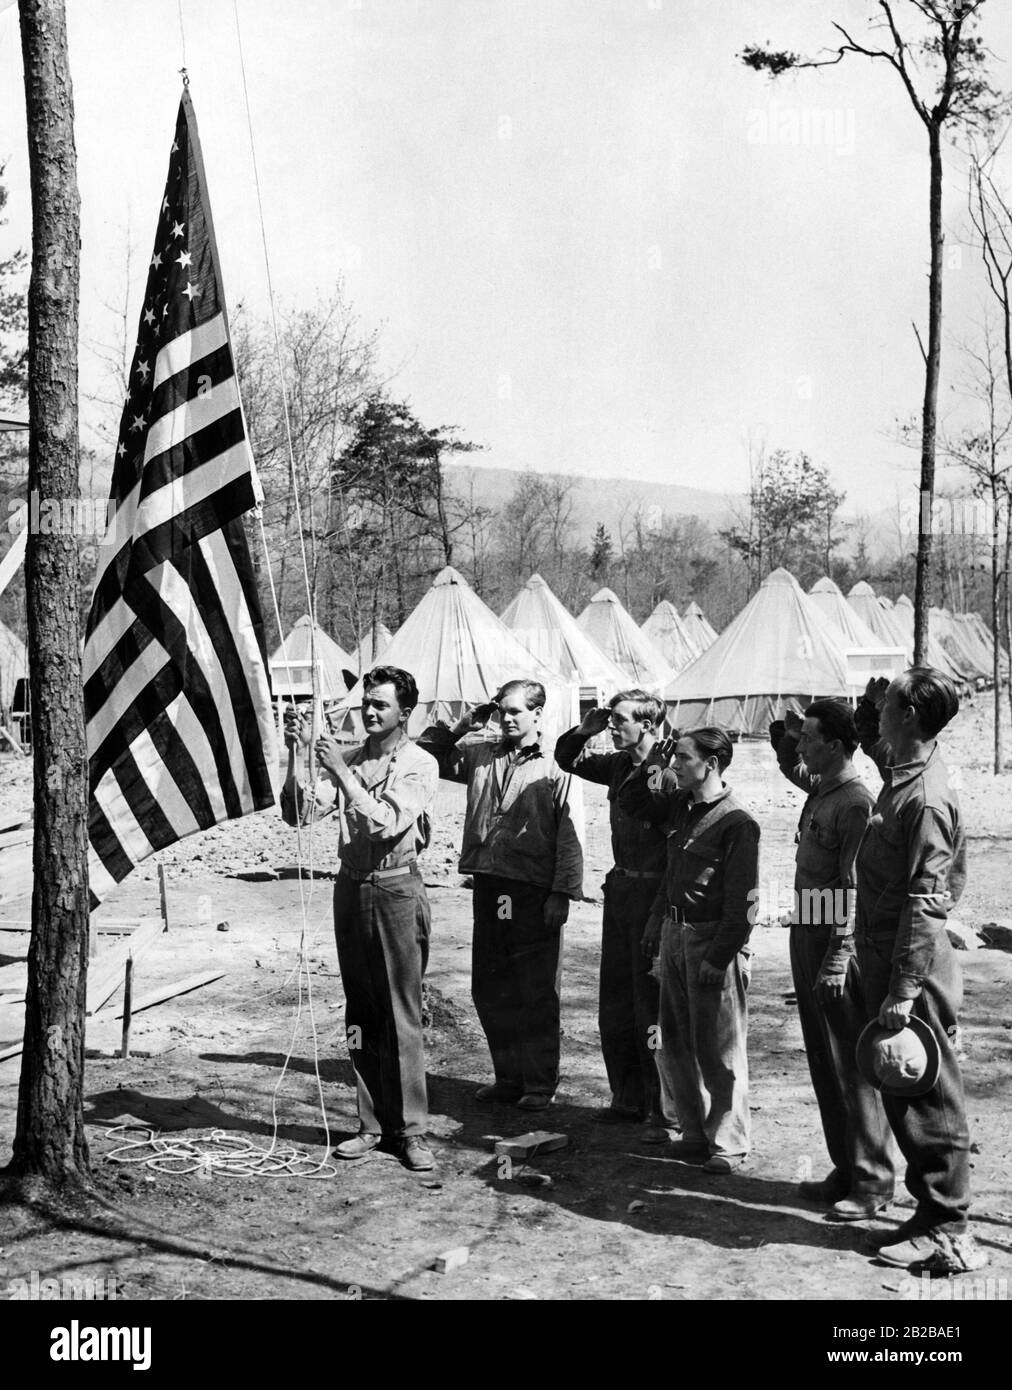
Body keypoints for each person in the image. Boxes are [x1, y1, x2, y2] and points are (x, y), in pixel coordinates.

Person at [852, 669, 986, 1272]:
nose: (880, 709)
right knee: (904, 1090)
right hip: (889, 952)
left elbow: (927, 901)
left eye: (887, 703)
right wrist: (860, 706)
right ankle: (929, 1213)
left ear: (909, 715)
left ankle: (950, 1229)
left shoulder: (926, 797)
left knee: (929, 1091)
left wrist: (903, 991)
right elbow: (875, 741)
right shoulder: (904, 769)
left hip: (915, 962)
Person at [281, 666, 438, 1172]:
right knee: (361, 1012)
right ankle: (371, 1125)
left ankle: (410, 1130)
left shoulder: (419, 763)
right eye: (367, 703)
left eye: (381, 705)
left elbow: (386, 822)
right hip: (351, 888)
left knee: (402, 1013)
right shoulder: (348, 758)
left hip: (395, 889)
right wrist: (298, 754)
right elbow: (298, 814)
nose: (369, 712)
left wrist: (342, 774)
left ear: (405, 713)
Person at [420, 680, 583, 1109]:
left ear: (537, 714)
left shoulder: (558, 764)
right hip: (491, 885)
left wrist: (563, 892)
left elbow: (571, 833)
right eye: (502, 711)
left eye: (516, 711)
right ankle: (507, 1076)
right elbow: (425, 756)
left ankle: (539, 1083)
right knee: (491, 986)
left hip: (532, 889)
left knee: (534, 987)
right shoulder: (479, 753)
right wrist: (461, 725)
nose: (507, 718)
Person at [770, 701, 894, 1220]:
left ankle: (871, 1181)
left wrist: (839, 956)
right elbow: (792, 765)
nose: (802, 747)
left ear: (837, 746)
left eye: (809, 738)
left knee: (851, 1063)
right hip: (807, 927)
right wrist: (783, 733)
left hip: (833, 937)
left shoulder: (855, 804)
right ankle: (845, 1166)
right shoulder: (823, 787)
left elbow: (853, 889)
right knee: (823, 1058)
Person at [619, 727, 759, 1174]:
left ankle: (728, 1143)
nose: (674, 766)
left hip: (711, 941)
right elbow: (639, 812)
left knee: (719, 1049)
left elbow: (745, 905)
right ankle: (694, 1133)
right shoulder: (681, 807)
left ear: (711, 764)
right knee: (675, 1043)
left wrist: (719, 958)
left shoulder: (738, 823)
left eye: (682, 758)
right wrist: (658, 922)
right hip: (675, 937)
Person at [555, 691, 679, 1141]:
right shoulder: (617, 764)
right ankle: (625, 1098)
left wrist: (659, 912)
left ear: (647, 725)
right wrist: (585, 729)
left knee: (651, 1005)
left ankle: (659, 1107)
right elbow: (566, 758)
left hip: (653, 892)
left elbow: (668, 840)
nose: (611, 726)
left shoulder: (668, 771)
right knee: (616, 1000)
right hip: (621, 887)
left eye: (619, 719)